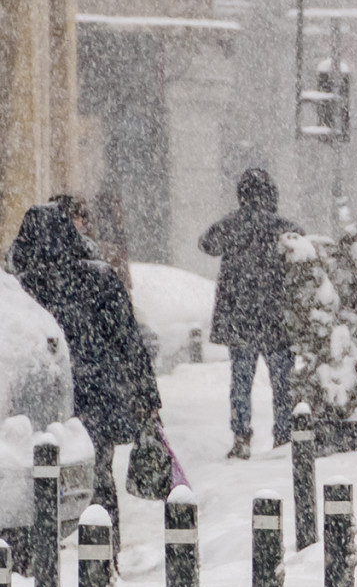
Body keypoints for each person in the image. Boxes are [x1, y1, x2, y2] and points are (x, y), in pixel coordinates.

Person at [17, 199, 166, 495]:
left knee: (40, 480)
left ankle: (52, 536)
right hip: (97, 395)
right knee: (98, 476)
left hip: (39, 401)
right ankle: (103, 535)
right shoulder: (100, 278)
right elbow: (130, 343)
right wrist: (148, 400)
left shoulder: (22, 287)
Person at [199, 166, 296, 459]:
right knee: (283, 381)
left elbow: (207, 244)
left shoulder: (230, 226)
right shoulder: (283, 228)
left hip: (240, 319)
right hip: (275, 318)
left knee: (241, 381)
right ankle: (285, 434)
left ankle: (241, 435)